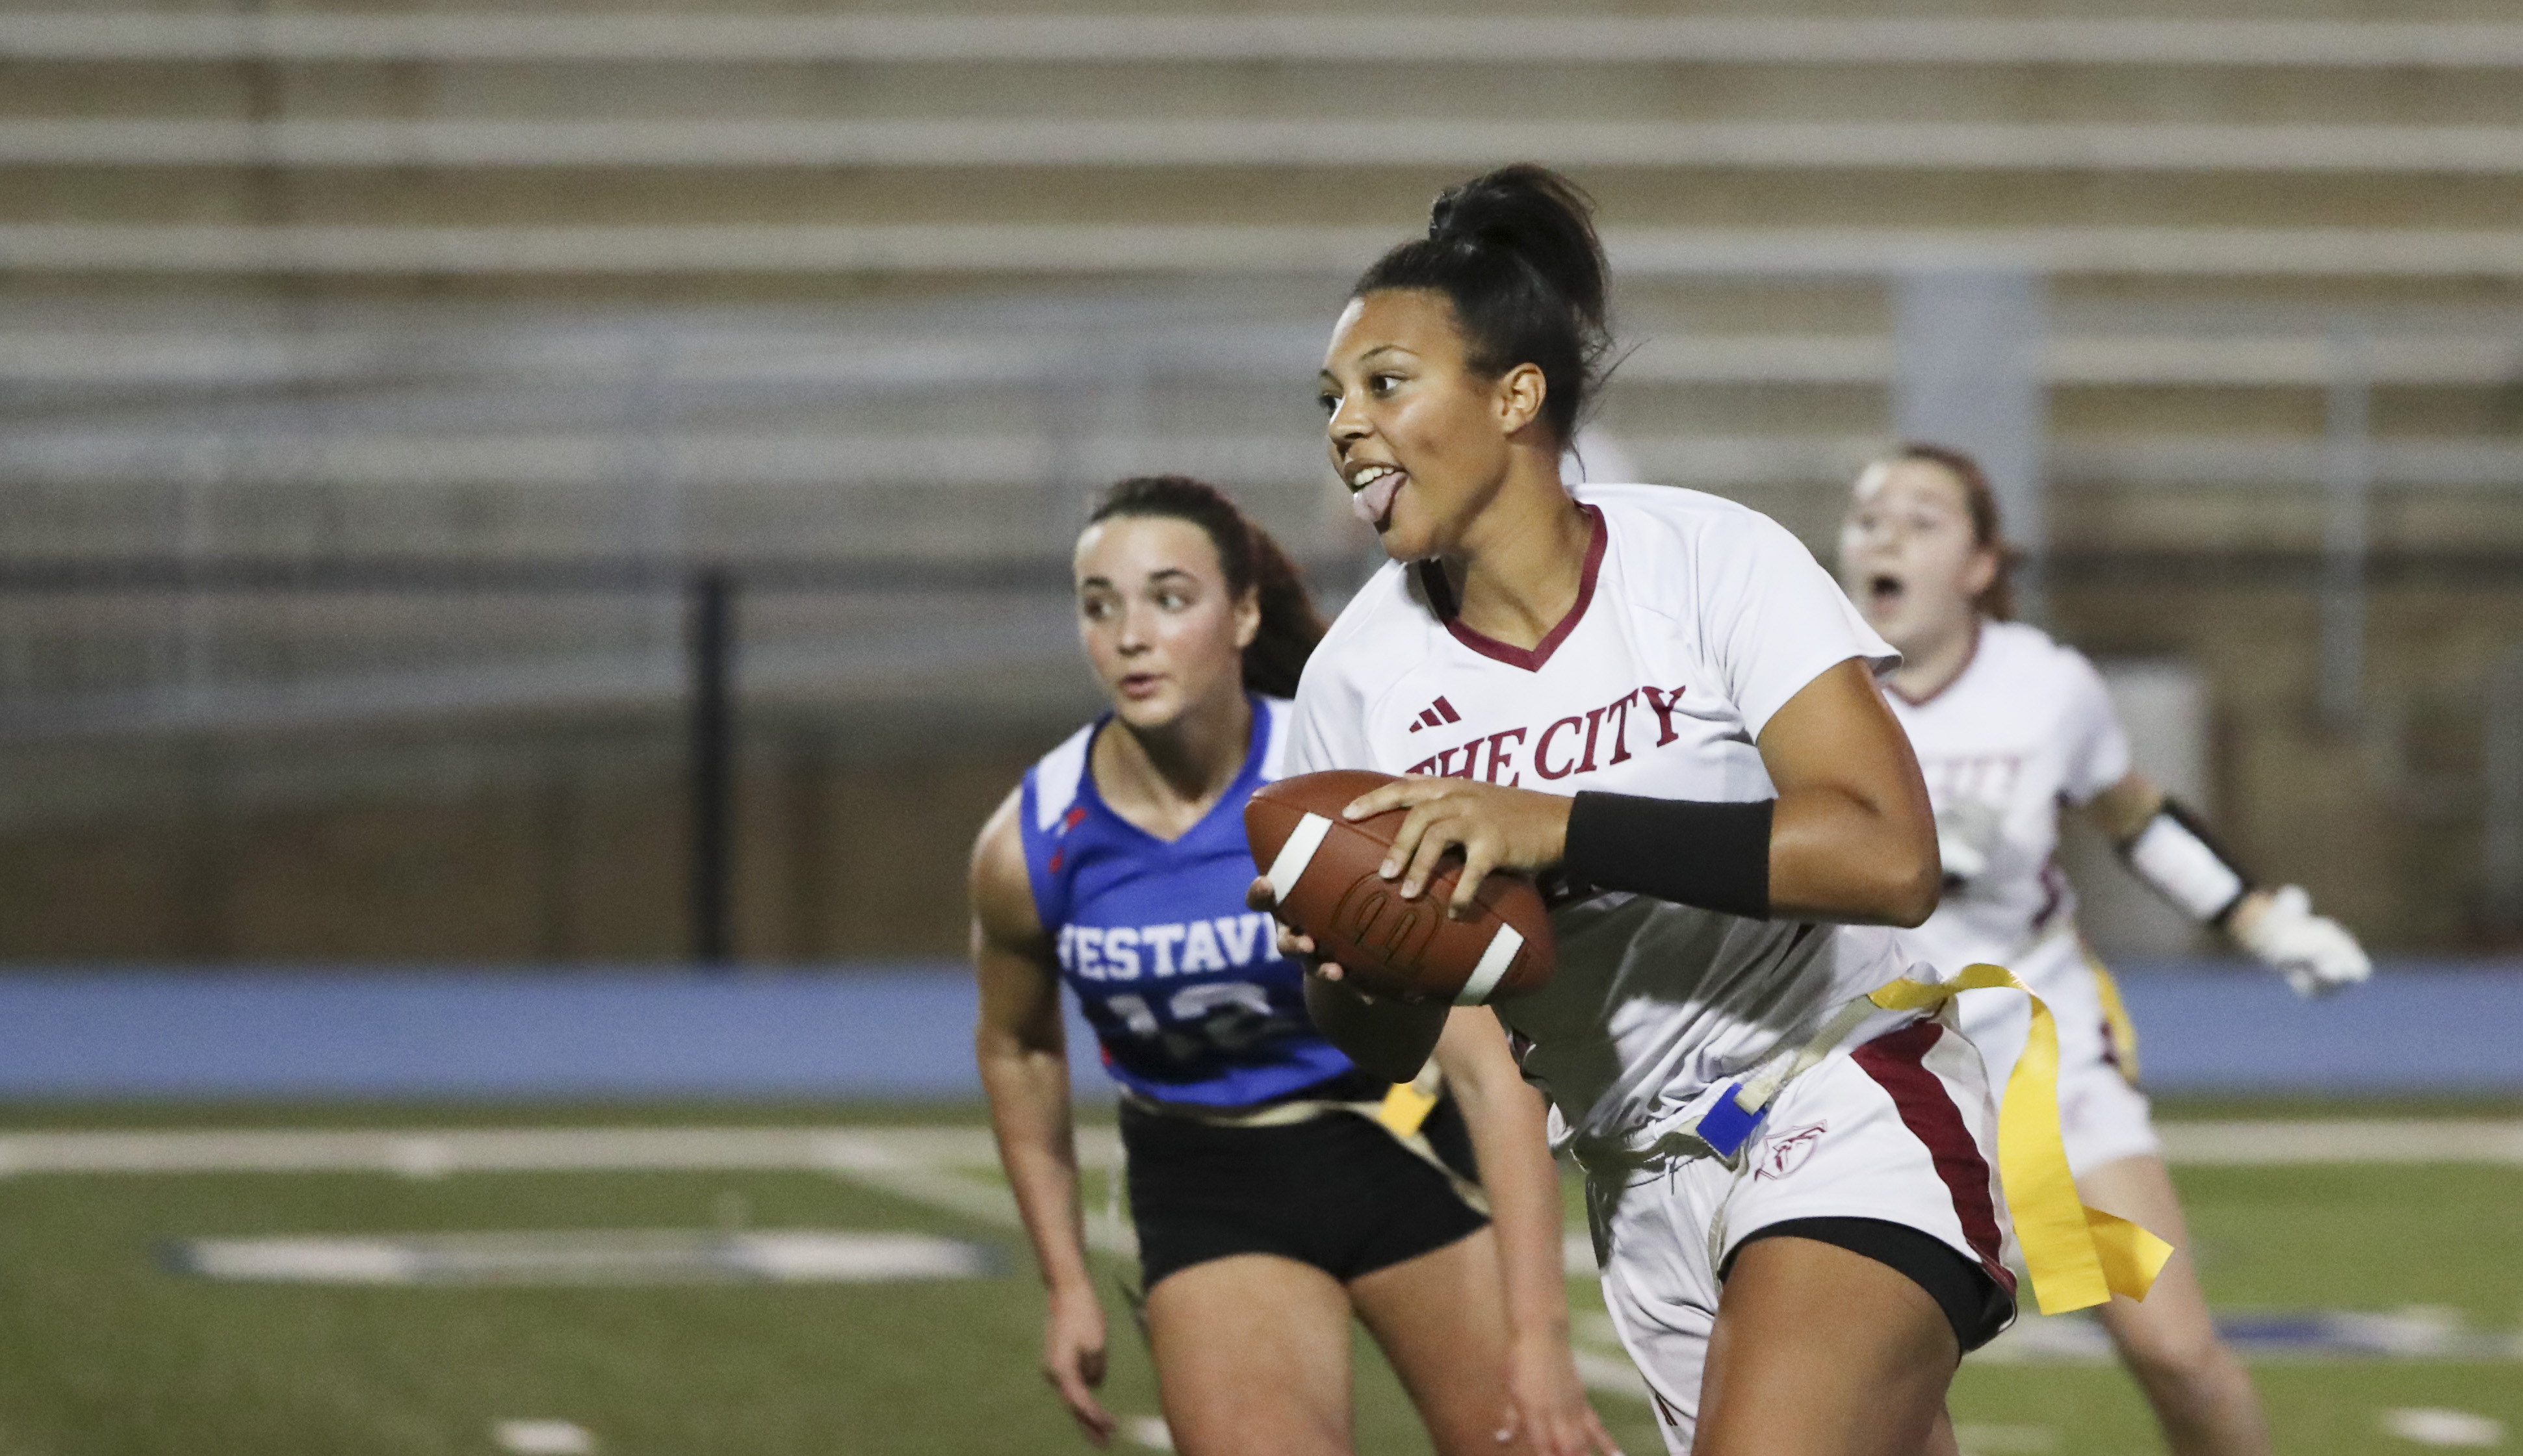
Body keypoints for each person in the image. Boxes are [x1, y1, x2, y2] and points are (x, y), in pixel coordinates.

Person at [1256, 163, 2123, 1456]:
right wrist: (1352, 955)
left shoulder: (1708, 560)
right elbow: (1380, 1044)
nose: (1346, 426)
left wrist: (1556, 822)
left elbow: (1890, 857)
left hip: (1843, 1087)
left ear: (1515, 396)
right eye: (1331, 398)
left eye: (1385, 383)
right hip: (1639, 1177)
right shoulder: (1357, 680)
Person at [968, 474, 1616, 1456]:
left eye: (1168, 598)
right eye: (1100, 607)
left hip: (1399, 1150)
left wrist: (1540, 1337)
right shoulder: (1034, 841)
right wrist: (1065, 1281)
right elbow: (1018, 1048)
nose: (1130, 633)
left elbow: (1490, 1075)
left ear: (1243, 612)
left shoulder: (1339, 789)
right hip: (1204, 1184)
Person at [1837, 443, 2371, 1456]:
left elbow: (2132, 815)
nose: (1886, 535)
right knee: (1883, 1387)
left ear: (1982, 563)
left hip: (2041, 1069)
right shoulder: (1811, 687)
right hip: (1870, 1076)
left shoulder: (2042, 685)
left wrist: (2263, 920)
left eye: (1920, 517)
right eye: (1868, 517)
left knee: (2172, 1349)